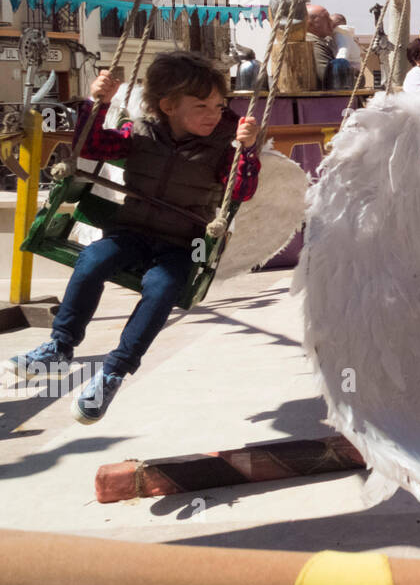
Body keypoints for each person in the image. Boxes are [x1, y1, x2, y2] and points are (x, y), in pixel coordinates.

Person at [6, 52, 260, 422]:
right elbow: (93, 147)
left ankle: (113, 373)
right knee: (92, 260)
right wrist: (96, 103)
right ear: (168, 106)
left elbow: (241, 191)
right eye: (202, 105)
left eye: (220, 105)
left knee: (162, 287)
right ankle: (59, 348)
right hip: (131, 231)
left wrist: (248, 150)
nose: (214, 114)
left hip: (182, 241)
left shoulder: (226, 146)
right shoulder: (140, 132)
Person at [306, 4, 337, 86]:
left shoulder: (319, 42)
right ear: (309, 24)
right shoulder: (313, 44)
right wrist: (356, 75)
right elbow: (329, 79)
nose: (332, 21)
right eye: (326, 18)